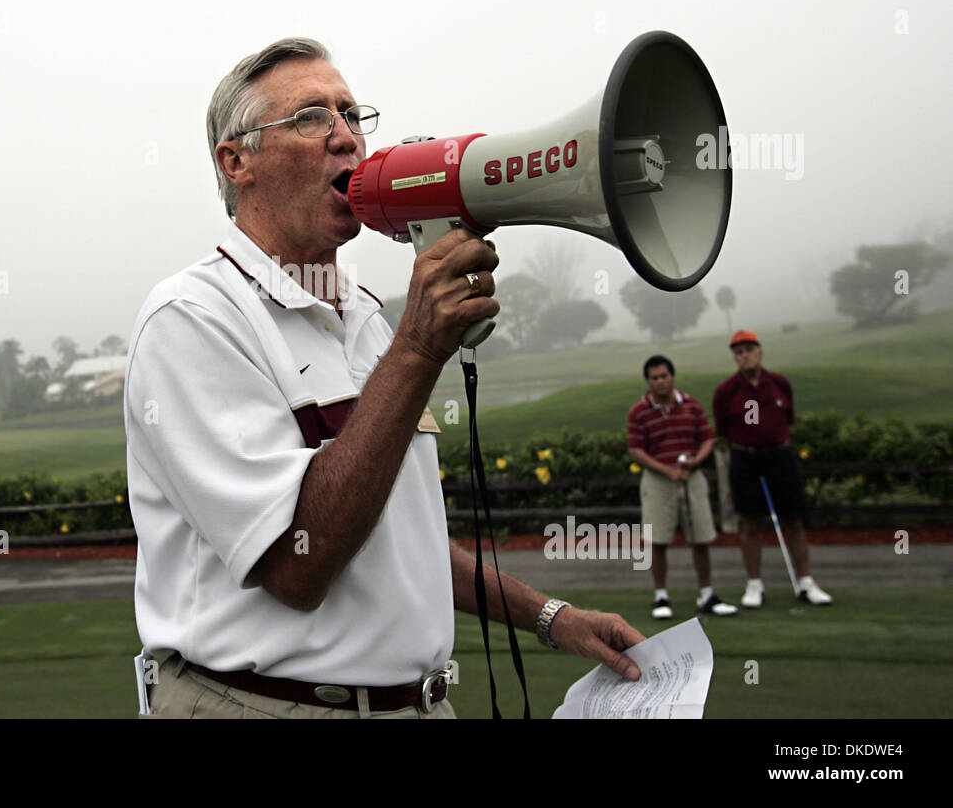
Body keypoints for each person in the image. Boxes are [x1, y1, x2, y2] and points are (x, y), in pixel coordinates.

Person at [125, 37, 644, 719]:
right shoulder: (192, 320)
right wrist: (418, 349)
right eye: (311, 118)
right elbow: (297, 563)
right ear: (236, 160)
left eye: (352, 115)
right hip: (265, 706)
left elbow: (404, 539)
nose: (347, 139)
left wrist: (551, 616)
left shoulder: (366, 316)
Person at [712, 330, 832, 607]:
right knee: (751, 522)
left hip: (780, 457)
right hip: (744, 458)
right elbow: (723, 430)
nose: (744, 356)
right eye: (738, 352)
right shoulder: (726, 391)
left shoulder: (779, 383)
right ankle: (754, 585)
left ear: (760, 352)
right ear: (735, 358)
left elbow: (788, 419)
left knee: (793, 520)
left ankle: (806, 581)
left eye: (749, 349)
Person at [627, 356, 737, 620]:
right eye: (655, 378)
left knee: (700, 537)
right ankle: (661, 596)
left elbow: (707, 440)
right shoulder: (639, 411)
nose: (660, 381)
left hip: (692, 477)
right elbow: (636, 450)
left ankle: (707, 594)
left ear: (672, 377)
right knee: (658, 541)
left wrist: (695, 462)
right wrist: (668, 470)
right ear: (648, 381)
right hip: (658, 481)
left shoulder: (691, 405)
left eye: (664, 376)